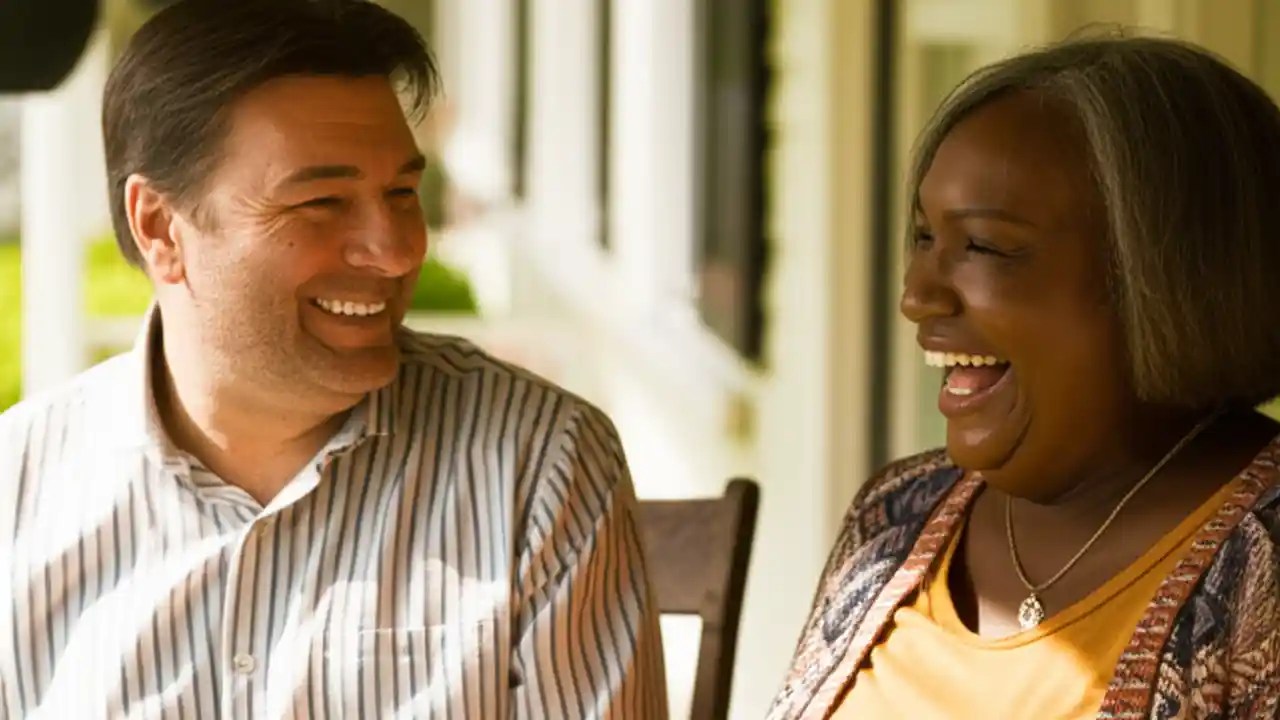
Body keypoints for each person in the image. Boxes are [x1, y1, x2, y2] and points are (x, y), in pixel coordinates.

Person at [0, 1, 668, 718]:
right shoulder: (18, 487)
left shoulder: (537, 464)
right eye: (322, 201)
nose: (396, 249)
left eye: (402, 193)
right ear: (161, 226)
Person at [770, 34, 1280, 719]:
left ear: (1174, 281)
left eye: (983, 246)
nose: (916, 297)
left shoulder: (1262, 573)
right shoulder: (898, 513)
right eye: (924, 237)